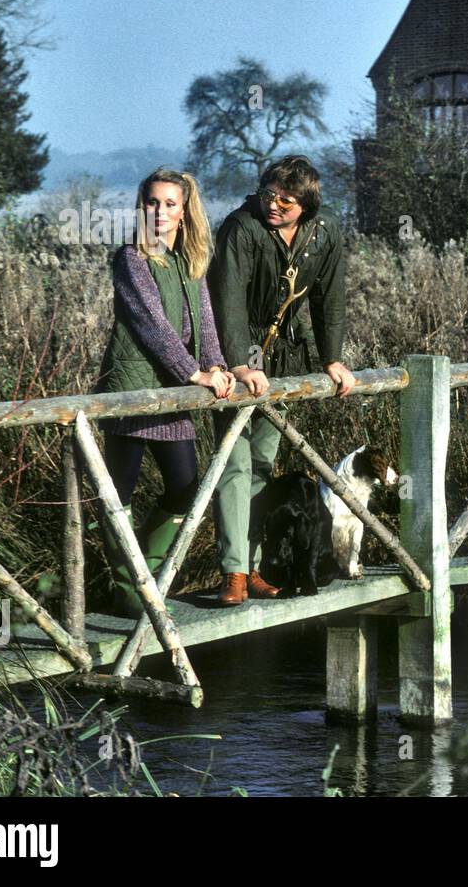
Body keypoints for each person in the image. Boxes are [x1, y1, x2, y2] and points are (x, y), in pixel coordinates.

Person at [208, 155, 356, 605]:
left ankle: (254, 566)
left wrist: (332, 358)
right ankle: (233, 572)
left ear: (307, 204)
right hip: (237, 360)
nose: (273, 205)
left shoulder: (325, 231)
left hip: (286, 361)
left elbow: (331, 296)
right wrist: (239, 363)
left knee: (262, 466)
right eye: (269, 194)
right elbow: (227, 299)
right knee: (234, 464)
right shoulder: (241, 227)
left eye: (286, 201)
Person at [95, 168, 233, 617]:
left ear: (183, 210)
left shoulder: (189, 259)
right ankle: (128, 592)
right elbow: (151, 326)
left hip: (173, 393)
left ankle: (146, 577)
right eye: (152, 202)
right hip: (132, 390)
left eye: (169, 204)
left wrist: (216, 366)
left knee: (186, 488)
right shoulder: (132, 258)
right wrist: (194, 374)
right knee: (119, 494)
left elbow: (205, 322)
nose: (159, 212)